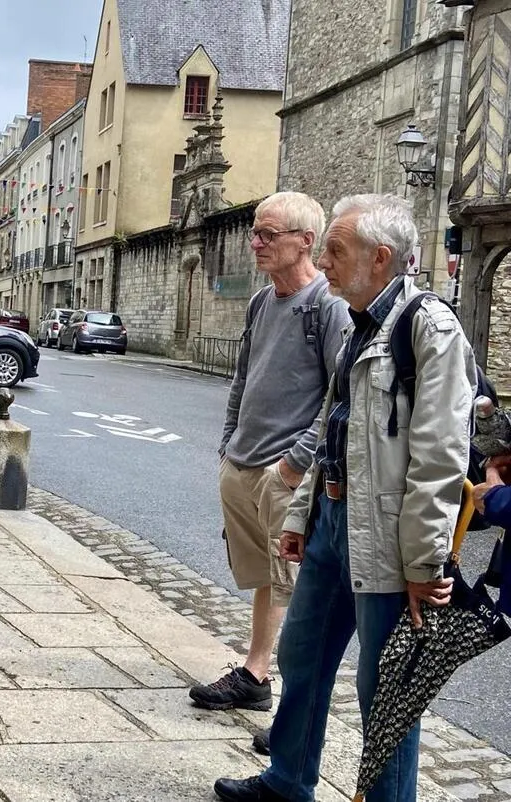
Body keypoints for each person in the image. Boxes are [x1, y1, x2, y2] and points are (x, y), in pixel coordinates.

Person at [213, 193, 476, 802]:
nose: (326, 263)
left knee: (385, 692)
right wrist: (304, 513)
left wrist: (425, 564)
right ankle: (287, 780)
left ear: (380, 258)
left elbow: (440, 460)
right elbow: (334, 426)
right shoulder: (358, 324)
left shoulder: (428, 331)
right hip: (334, 522)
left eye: (336, 250)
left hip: (388, 539)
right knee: (302, 657)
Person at [191, 192, 347, 756]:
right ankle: (256, 679)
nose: (255, 242)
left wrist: (295, 463)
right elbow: (243, 376)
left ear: (305, 241)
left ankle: (281, 705)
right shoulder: (262, 302)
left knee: (293, 588)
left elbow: (338, 397)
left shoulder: (326, 305)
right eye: (255, 232)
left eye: (268, 234)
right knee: (263, 576)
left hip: (284, 472)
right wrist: (230, 443)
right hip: (244, 460)